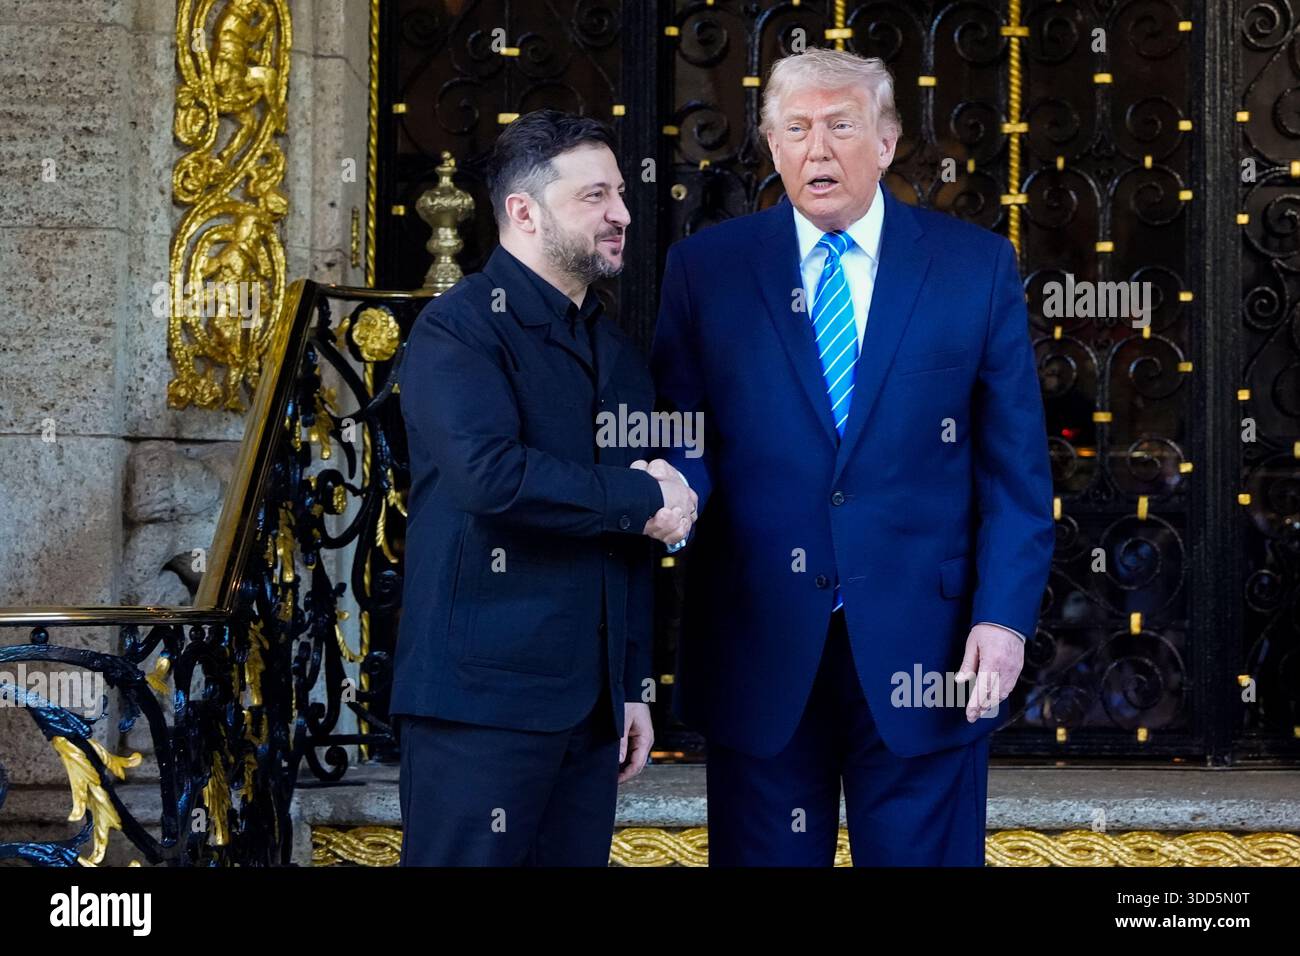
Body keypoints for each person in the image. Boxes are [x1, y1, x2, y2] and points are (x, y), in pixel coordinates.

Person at [648, 48, 1054, 866]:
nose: (818, 150)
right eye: (795, 129)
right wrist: (675, 495)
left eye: (841, 126)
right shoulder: (707, 271)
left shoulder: (974, 268)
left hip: (928, 653)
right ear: (771, 145)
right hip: (758, 643)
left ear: (889, 141)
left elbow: (1015, 475)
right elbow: (680, 435)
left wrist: (1004, 618)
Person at [391, 109, 697, 866]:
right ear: (524, 212)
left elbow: (624, 541)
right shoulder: (456, 330)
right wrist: (643, 498)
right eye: (595, 196)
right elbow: (490, 476)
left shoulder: (616, 349)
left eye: (620, 193)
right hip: (477, 703)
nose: (622, 213)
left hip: (590, 709)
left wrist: (630, 685)